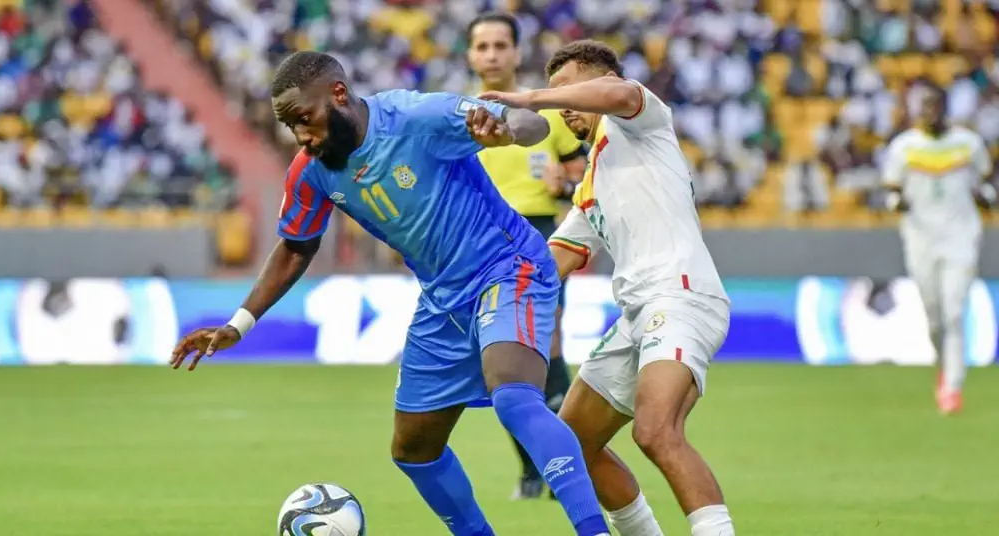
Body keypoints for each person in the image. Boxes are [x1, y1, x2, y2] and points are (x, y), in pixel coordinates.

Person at [169, 51, 612, 536]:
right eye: (291, 126)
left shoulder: (414, 117)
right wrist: (239, 324)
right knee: (414, 450)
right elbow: (296, 247)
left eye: (305, 119)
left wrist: (503, 128)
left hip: (508, 268)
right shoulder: (310, 170)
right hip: (442, 298)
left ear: (338, 94)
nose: (301, 136)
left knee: (513, 396)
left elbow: (533, 127)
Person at [481, 40, 736, 536]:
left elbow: (619, 95)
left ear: (600, 80)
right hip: (637, 313)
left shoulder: (641, 121)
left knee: (656, 431)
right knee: (571, 440)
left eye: (568, 90)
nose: (561, 105)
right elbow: (557, 258)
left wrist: (532, 98)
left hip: (681, 296)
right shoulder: (592, 178)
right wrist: (489, 294)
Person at [465, 11, 588, 500]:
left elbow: (584, 181)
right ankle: (535, 471)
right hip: (474, 242)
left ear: (517, 53)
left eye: (501, 45)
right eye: (483, 46)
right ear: (471, 55)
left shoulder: (551, 117)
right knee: (500, 365)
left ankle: (556, 470)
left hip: (536, 236)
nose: (492, 54)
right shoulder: (454, 110)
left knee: (545, 347)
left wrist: (566, 186)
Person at [881, 85, 994, 415]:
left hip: (961, 236)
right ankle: (942, 367)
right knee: (934, 316)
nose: (925, 113)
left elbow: (985, 179)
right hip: (921, 239)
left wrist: (985, 194)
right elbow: (891, 189)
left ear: (943, 108)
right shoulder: (905, 147)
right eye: (921, 108)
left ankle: (953, 387)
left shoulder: (967, 143)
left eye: (930, 106)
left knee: (954, 311)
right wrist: (896, 203)